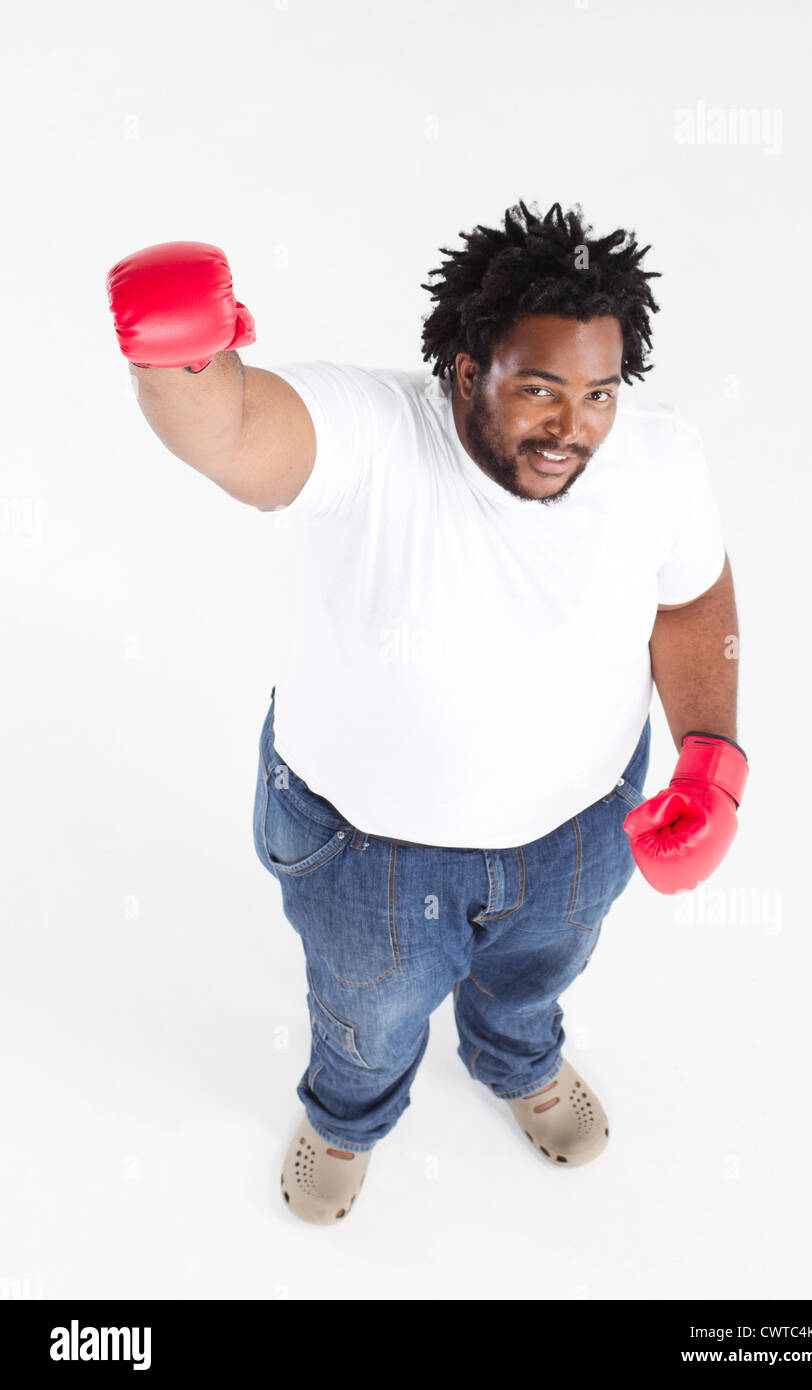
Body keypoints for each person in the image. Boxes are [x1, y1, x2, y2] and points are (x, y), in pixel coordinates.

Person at [106, 200, 748, 1227]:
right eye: (538, 390)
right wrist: (180, 363)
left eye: (595, 393)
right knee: (366, 1013)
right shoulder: (371, 435)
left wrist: (710, 758)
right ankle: (346, 1116)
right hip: (369, 855)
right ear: (463, 372)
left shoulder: (657, 460)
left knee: (538, 974)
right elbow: (231, 432)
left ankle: (516, 1057)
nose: (570, 428)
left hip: (580, 830)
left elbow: (690, 598)